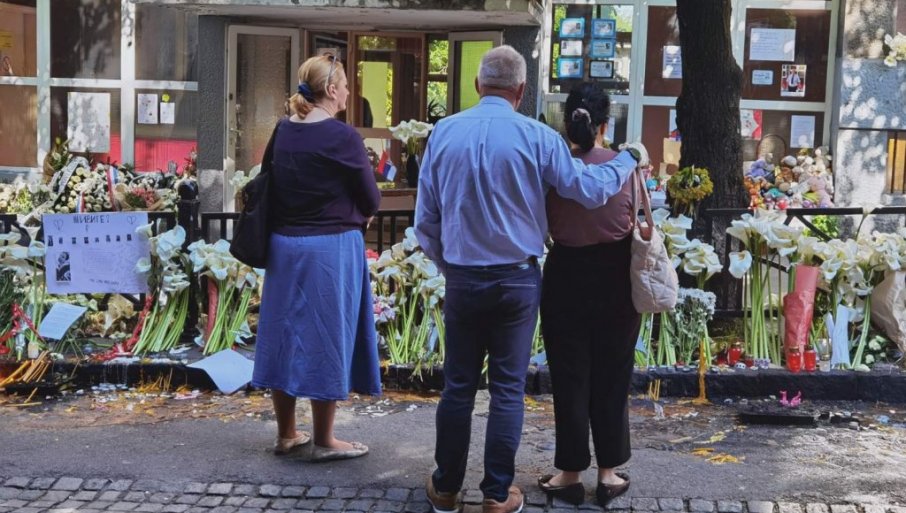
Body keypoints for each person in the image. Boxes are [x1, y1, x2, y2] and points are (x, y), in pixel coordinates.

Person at [415, 45, 648, 513]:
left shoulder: (444, 132)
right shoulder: (539, 138)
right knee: (506, 390)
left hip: (464, 277)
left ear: (478, 85)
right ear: (521, 90)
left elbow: (426, 221)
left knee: (458, 387)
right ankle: (497, 494)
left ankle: (446, 488)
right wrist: (628, 159)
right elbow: (588, 190)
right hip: (518, 279)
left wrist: (450, 266)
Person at [251, 53, 382, 462]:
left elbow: (269, 179)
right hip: (330, 249)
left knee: (285, 335)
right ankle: (325, 439)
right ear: (330, 89)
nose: (348, 92)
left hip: (284, 246)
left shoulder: (284, 130)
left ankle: (286, 433)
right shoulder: (342, 137)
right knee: (327, 337)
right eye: (344, 85)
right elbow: (371, 197)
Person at [536, 82, 640, 507]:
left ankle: (569, 472)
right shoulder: (626, 166)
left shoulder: (553, 169)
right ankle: (609, 473)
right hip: (617, 275)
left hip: (566, 272)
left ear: (567, 123)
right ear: (604, 124)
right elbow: (636, 217)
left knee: (569, 375)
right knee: (613, 374)